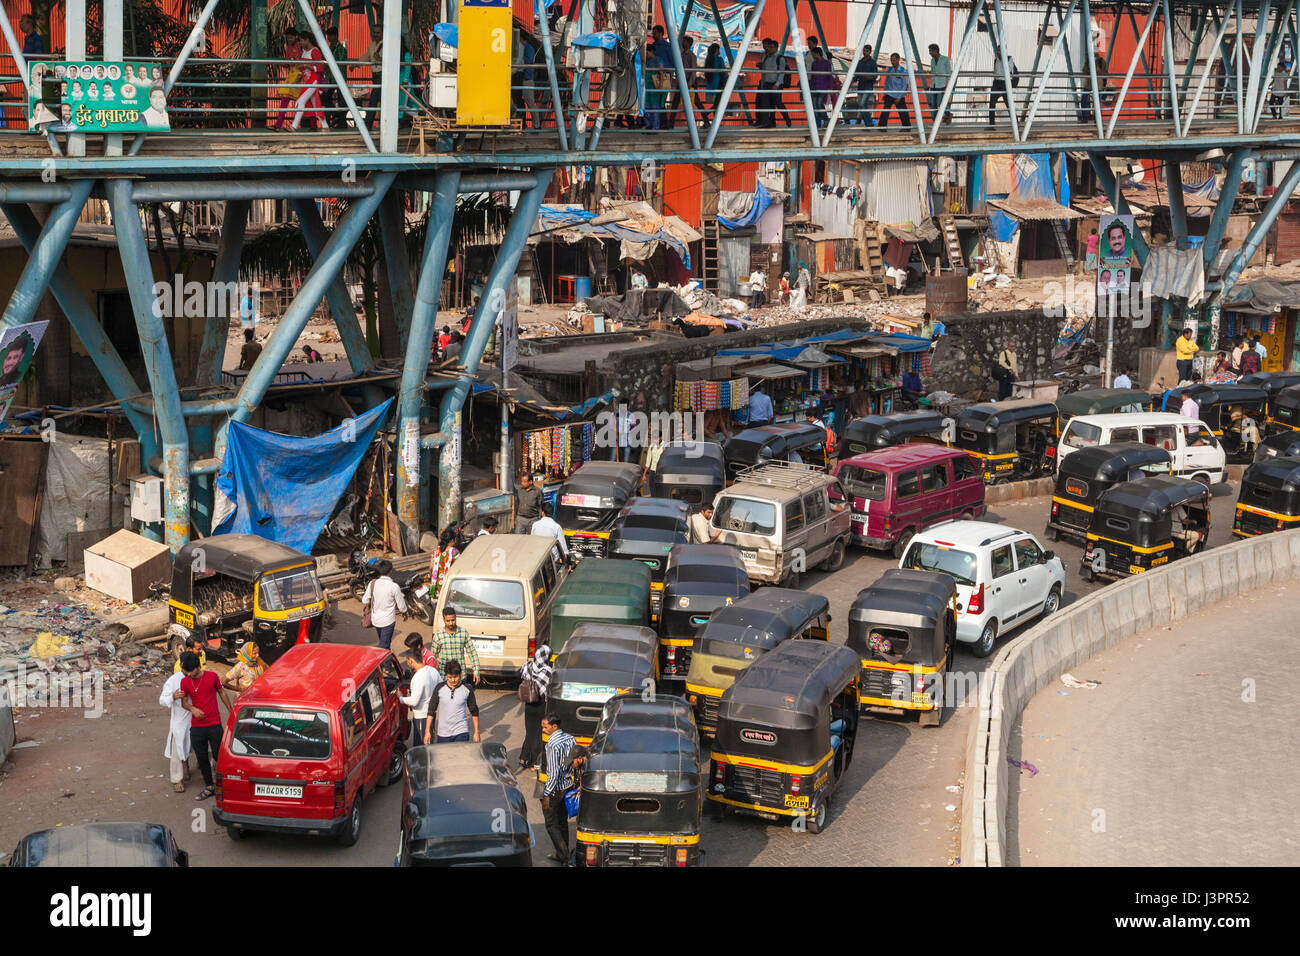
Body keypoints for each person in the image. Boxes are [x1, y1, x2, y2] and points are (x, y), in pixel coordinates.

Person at [175, 651, 233, 802]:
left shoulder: (212, 677)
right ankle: (209, 786)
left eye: (191, 671)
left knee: (218, 756)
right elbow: (183, 703)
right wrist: (192, 709)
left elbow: (222, 692)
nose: (188, 674)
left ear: (198, 666)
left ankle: (223, 786)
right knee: (201, 758)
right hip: (197, 726)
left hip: (214, 724)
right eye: (186, 671)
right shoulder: (185, 681)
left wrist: (231, 711)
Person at [540, 712, 577, 864]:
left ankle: (564, 856)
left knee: (551, 824)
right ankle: (563, 853)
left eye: (545, 727)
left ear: (554, 726)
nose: (543, 729)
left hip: (555, 790)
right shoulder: (570, 738)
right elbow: (569, 762)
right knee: (562, 821)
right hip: (568, 786)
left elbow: (554, 772)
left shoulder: (552, 745)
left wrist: (547, 794)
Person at [517, 644, 553, 771]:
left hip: (528, 703)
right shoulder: (548, 670)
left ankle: (523, 758)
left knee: (530, 731)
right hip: (540, 704)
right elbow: (546, 688)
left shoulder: (528, 666)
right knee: (538, 733)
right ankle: (534, 763)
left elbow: (520, 675)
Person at [159, 667, 192, 793]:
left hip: (196, 717)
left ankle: (191, 767)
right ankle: (177, 779)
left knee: (206, 745)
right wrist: (173, 696)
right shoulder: (173, 680)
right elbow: (162, 700)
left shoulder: (198, 676)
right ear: (183, 666)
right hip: (180, 720)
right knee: (177, 747)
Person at [430, 660, 480, 743]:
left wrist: (477, 732)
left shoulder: (467, 688)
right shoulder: (439, 688)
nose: (453, 680)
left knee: (460, 756)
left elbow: (474, 711)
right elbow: (431, 710)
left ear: (460, 674)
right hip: (443, 734)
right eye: (450, 677)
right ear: (446, 676)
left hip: (461, 732)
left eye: (455, 677)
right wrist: (427, 731)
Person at [361, 559, 406, 650]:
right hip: (388, 621)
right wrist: (404, 612)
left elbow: (364, 600)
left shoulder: (372, 583)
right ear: (390, 571)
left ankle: (387, 660)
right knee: (383, 647)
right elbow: (401, 606)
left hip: (376, 620)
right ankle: (385, 663)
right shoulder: (394, 586)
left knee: (383, 641)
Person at [401, 647, 441, 746]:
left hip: (421, 716)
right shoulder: (432, 670)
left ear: (411, 660)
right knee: (429, 740)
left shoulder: (418, 677)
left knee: (422, 746)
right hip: (431, 713)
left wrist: (400, 698)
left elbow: (414, 701)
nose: (407, 663)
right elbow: (441, 687)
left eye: (407, 661)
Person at [430, 608, 482, 685]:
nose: (451, 623)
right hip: (445, 677)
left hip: (461, 676)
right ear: (444, 620)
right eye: (448, 621)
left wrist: (476, 671)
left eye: (453, 620)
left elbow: (472, 653)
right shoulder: (438, 636)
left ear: (456, 618)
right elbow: (433, 656)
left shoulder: (463, 633)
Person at [271, 29, 304, 129]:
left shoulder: (300, 46)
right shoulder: (289, 47)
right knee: (287, 100)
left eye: (291, 37)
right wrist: (277, 62)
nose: (289, 39)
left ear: (296, 37)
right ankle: (279, 124)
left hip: (300, 75)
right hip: (292, 76)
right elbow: (289, 63)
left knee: (305, 101)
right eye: (288, 37)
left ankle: (313, 125)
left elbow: (301, 63)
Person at [324, 26, 349, 129]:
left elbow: (340, 63)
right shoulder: (330, 48)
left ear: (335, 36)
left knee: (341, 101)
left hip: (339, 78)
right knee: (326, 99)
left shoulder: (340, 49)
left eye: (330, 35)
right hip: (331, 78)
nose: (329, 38)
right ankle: (338, 118)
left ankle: (340, 121)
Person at [757, 37, 783, 129]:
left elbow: (781, 73)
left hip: (774, 84)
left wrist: (777, 84)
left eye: (769, 46)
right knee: (765, 103)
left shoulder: (779, 58)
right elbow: (764, 70)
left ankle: (784, 119)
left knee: (775, 103)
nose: (767, 48)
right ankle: (765, 122)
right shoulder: (765, 56)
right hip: (765, 82)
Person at [988, 51, 1017, 127]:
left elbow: (1012, 71)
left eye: (1000, 51)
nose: (999, 53)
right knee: (992, 103)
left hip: (1005, 83)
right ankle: (991, 124)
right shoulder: (996, 60)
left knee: (1009, 103)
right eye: (998, 51)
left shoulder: (1008, 59)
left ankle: (1015, 123)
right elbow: (995, 71)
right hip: (997, 83)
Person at [879, 53, 909, 127]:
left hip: (899, 94)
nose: (893, 62)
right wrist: (885, 93)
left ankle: (907, 127)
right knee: (885, 111)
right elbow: (886, 82)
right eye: (891, 60)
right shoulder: (890, 70)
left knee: (903, 112)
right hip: (889, 94)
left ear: (898, 59)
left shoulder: (902, 71)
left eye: (894, 60)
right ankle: (882, 127)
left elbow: (904, 85)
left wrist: (899, 97)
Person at [429, 527, 459, 600]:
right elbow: (458, 568)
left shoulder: (436, 551)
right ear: (452, 540)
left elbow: (431, 568)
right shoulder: (454, 552)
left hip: (436, 584)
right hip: (447, 584)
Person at [809, 46, 836, 127]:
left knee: (819, 103)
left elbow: (829, 76)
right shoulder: (814, 64)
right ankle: (817, 124)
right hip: (814, 87)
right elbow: (813, 76)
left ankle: (825, 119)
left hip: (822, 87)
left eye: (813, 54)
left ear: (817, 54)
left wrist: (831, 87)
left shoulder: (827, 64)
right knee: (815, 106)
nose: (812, 56)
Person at [853, 45, 878, 125]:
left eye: (867, 51)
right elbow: (856, 75)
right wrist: (850, 83)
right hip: (860, 86)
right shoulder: (860, 62)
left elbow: (875, 76)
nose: (865, 52)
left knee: (863, 104)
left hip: (868, 86)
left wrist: (867, 76)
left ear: (870, 52)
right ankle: (865, 121)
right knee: (861, 105)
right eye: (864, 50)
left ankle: (869, 123)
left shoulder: (873, 63)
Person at [927, 43, 951, 122]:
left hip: (941, 85)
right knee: (933, 104)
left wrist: (949, 86)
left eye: (930, 51)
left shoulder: (945, 59)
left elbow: (948, 73)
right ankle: (935, 122)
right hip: (933, 85)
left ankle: (948, 115)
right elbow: (932, 72)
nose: (929, 53)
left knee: (939, 103)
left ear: (935, 51)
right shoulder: (932, 60)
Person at [703, 43, 726, 122]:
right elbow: (724, 72)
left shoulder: (708, 59)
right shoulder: (719, 59)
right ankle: (707, 115)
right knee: (717, 104)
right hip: (719, 84)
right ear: (716, 50)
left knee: (717, 104)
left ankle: (714, 120)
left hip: (711, 85)